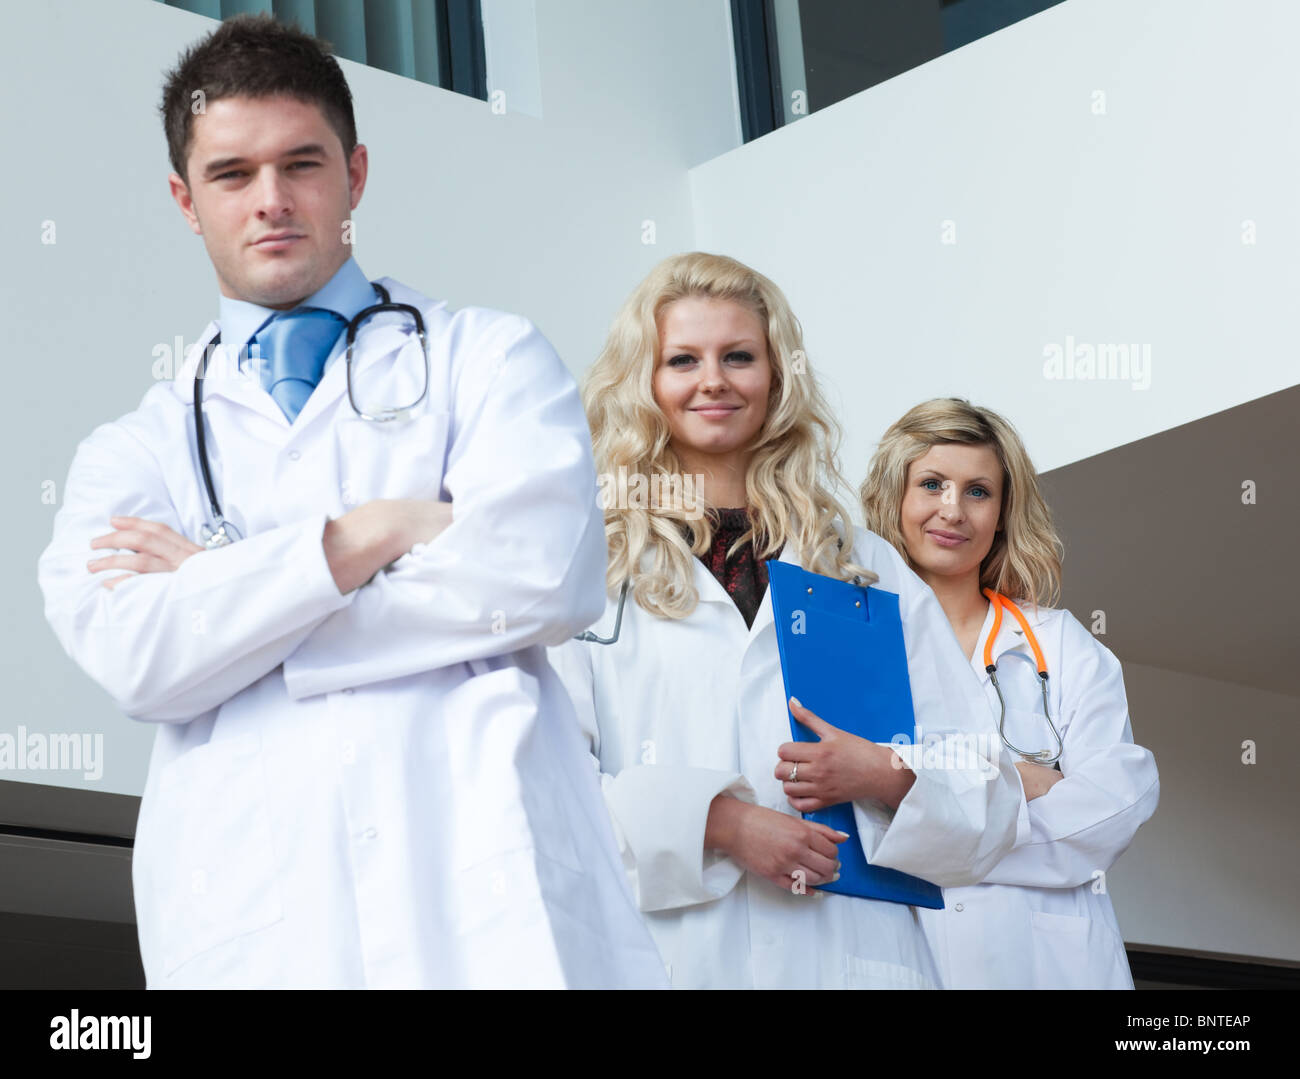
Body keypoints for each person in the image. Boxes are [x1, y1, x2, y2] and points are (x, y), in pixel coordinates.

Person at [36, 14, 667, 990]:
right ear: (183, 198)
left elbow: (543, 575)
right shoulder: (134, 449)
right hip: (259, 928)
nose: (272, 202)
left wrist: (224, 592)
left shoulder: (487, 358)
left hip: (487, 911)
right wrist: (360, 536)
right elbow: (138, 657)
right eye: (232, 174)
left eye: (303, 164)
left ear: (355, 175)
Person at [547, 253, 1025, 989]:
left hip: (854, 955)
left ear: (776, 376)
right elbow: (544, 784)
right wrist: (719, 824)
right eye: (683, 359)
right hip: (674, 957)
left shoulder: (858, 562)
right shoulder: (587, 558)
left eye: (739, 355)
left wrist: (889, 772)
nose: (714, 380)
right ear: (645, 379)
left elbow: (985, 783)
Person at [853, 397, 1160, 988]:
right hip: (906, 952)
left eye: (978, 491)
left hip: (1051, 964)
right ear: (895, 498)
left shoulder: (1059, 641)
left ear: (1001, 512)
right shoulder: (854, 640)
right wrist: (1021, 782)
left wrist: (926, 802)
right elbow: (854, 818)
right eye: (932, 484)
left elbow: (1116, 804)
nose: (953, 510)